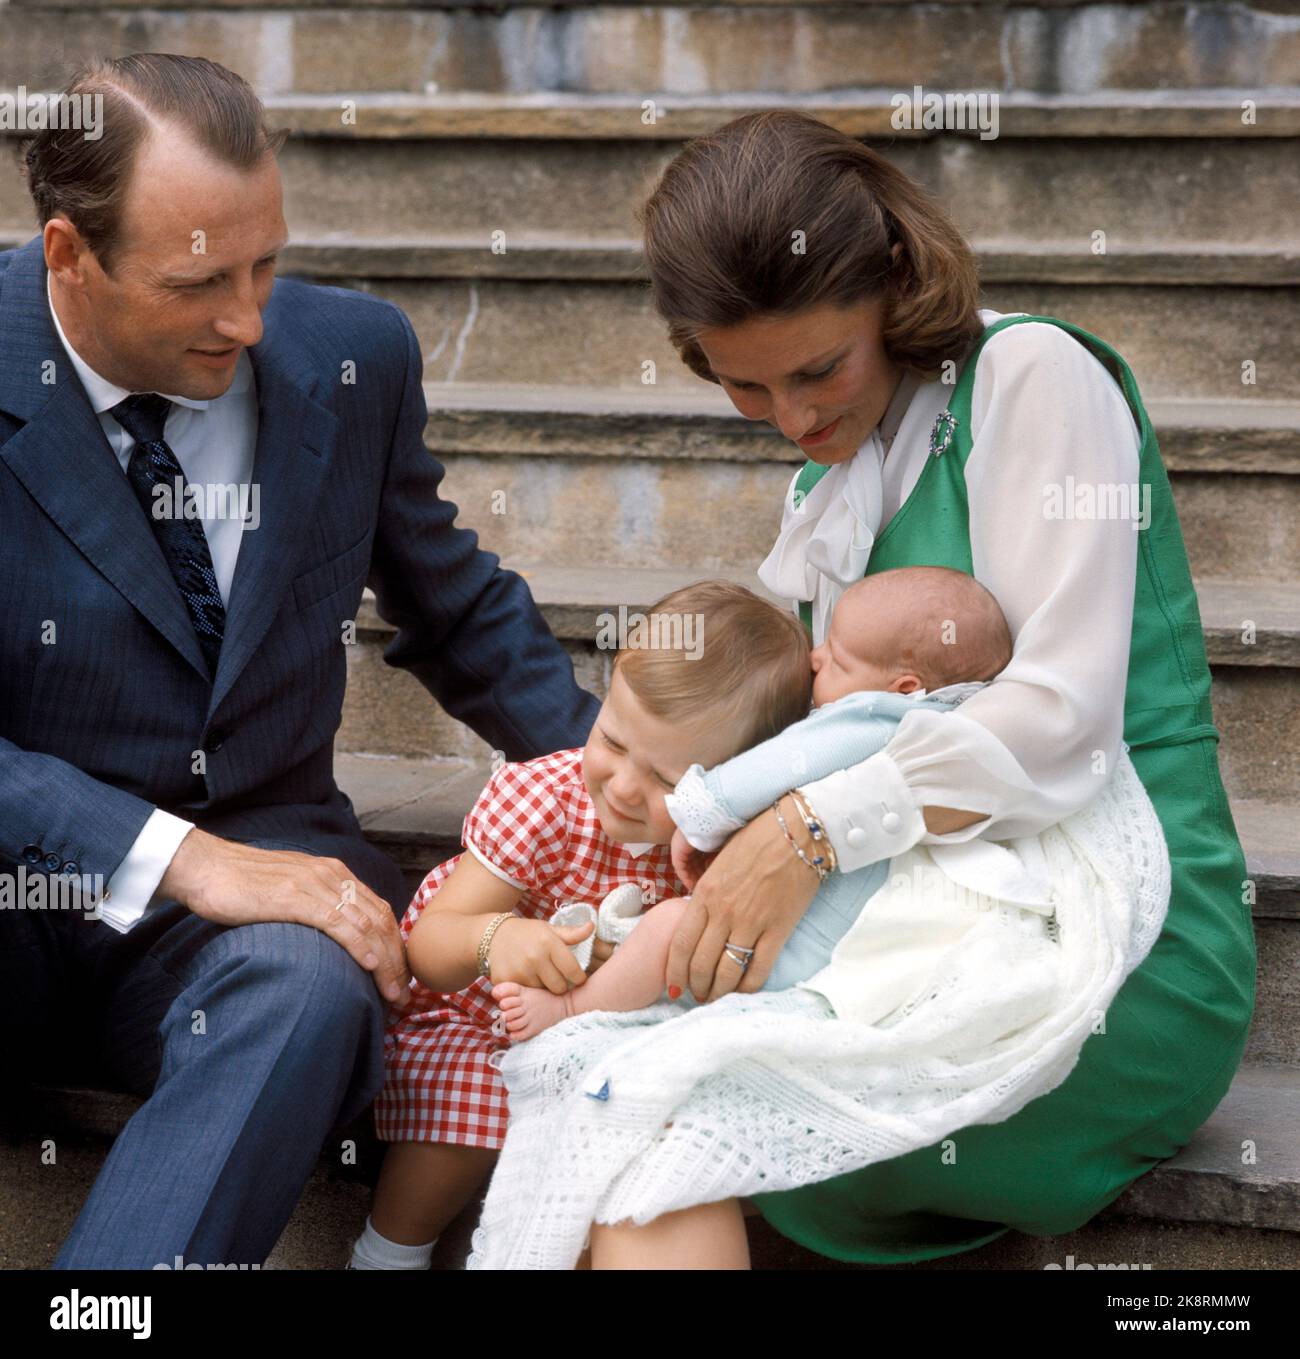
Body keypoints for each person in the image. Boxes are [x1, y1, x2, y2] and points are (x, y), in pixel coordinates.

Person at [570, 109, 1254, 1268]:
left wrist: (805, 832)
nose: (792, 419)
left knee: (667, 1102)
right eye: (745, 388)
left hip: (1117, 940)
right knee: (627, 1078)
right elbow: (814, 731)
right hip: (922, 927)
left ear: (893, 280)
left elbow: (1060, 718)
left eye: (816, 370)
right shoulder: (825, 484)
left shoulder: (1032, 375)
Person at [0, 52, 597, 1268]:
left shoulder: (352, 356)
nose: (250, 317)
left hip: (253, 887)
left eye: (266, 262)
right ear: (69, 254)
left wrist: (650, 787)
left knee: (309, 985)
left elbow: (458, 613)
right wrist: (178, 856)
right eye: (201, 281)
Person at [353, 580, 808, 1269]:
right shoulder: (549, 799)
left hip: (614, 1041)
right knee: (479, 1087)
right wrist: (496, 939)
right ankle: (389, 1252)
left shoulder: (735, 853)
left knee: (631, 1114)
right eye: (613, 740)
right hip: (483, 1022)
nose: (623, 785)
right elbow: (428, 943)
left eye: (665, 776)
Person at [491, 565, 1013, 1042]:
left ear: (903, 686)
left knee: (672, 926)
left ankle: (574, 1010)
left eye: (836, 658)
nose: (815, 659)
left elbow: (778, 765)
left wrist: (701, 808)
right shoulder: (951, 729)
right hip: (856, 956)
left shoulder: (872, 717)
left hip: (787, 952)